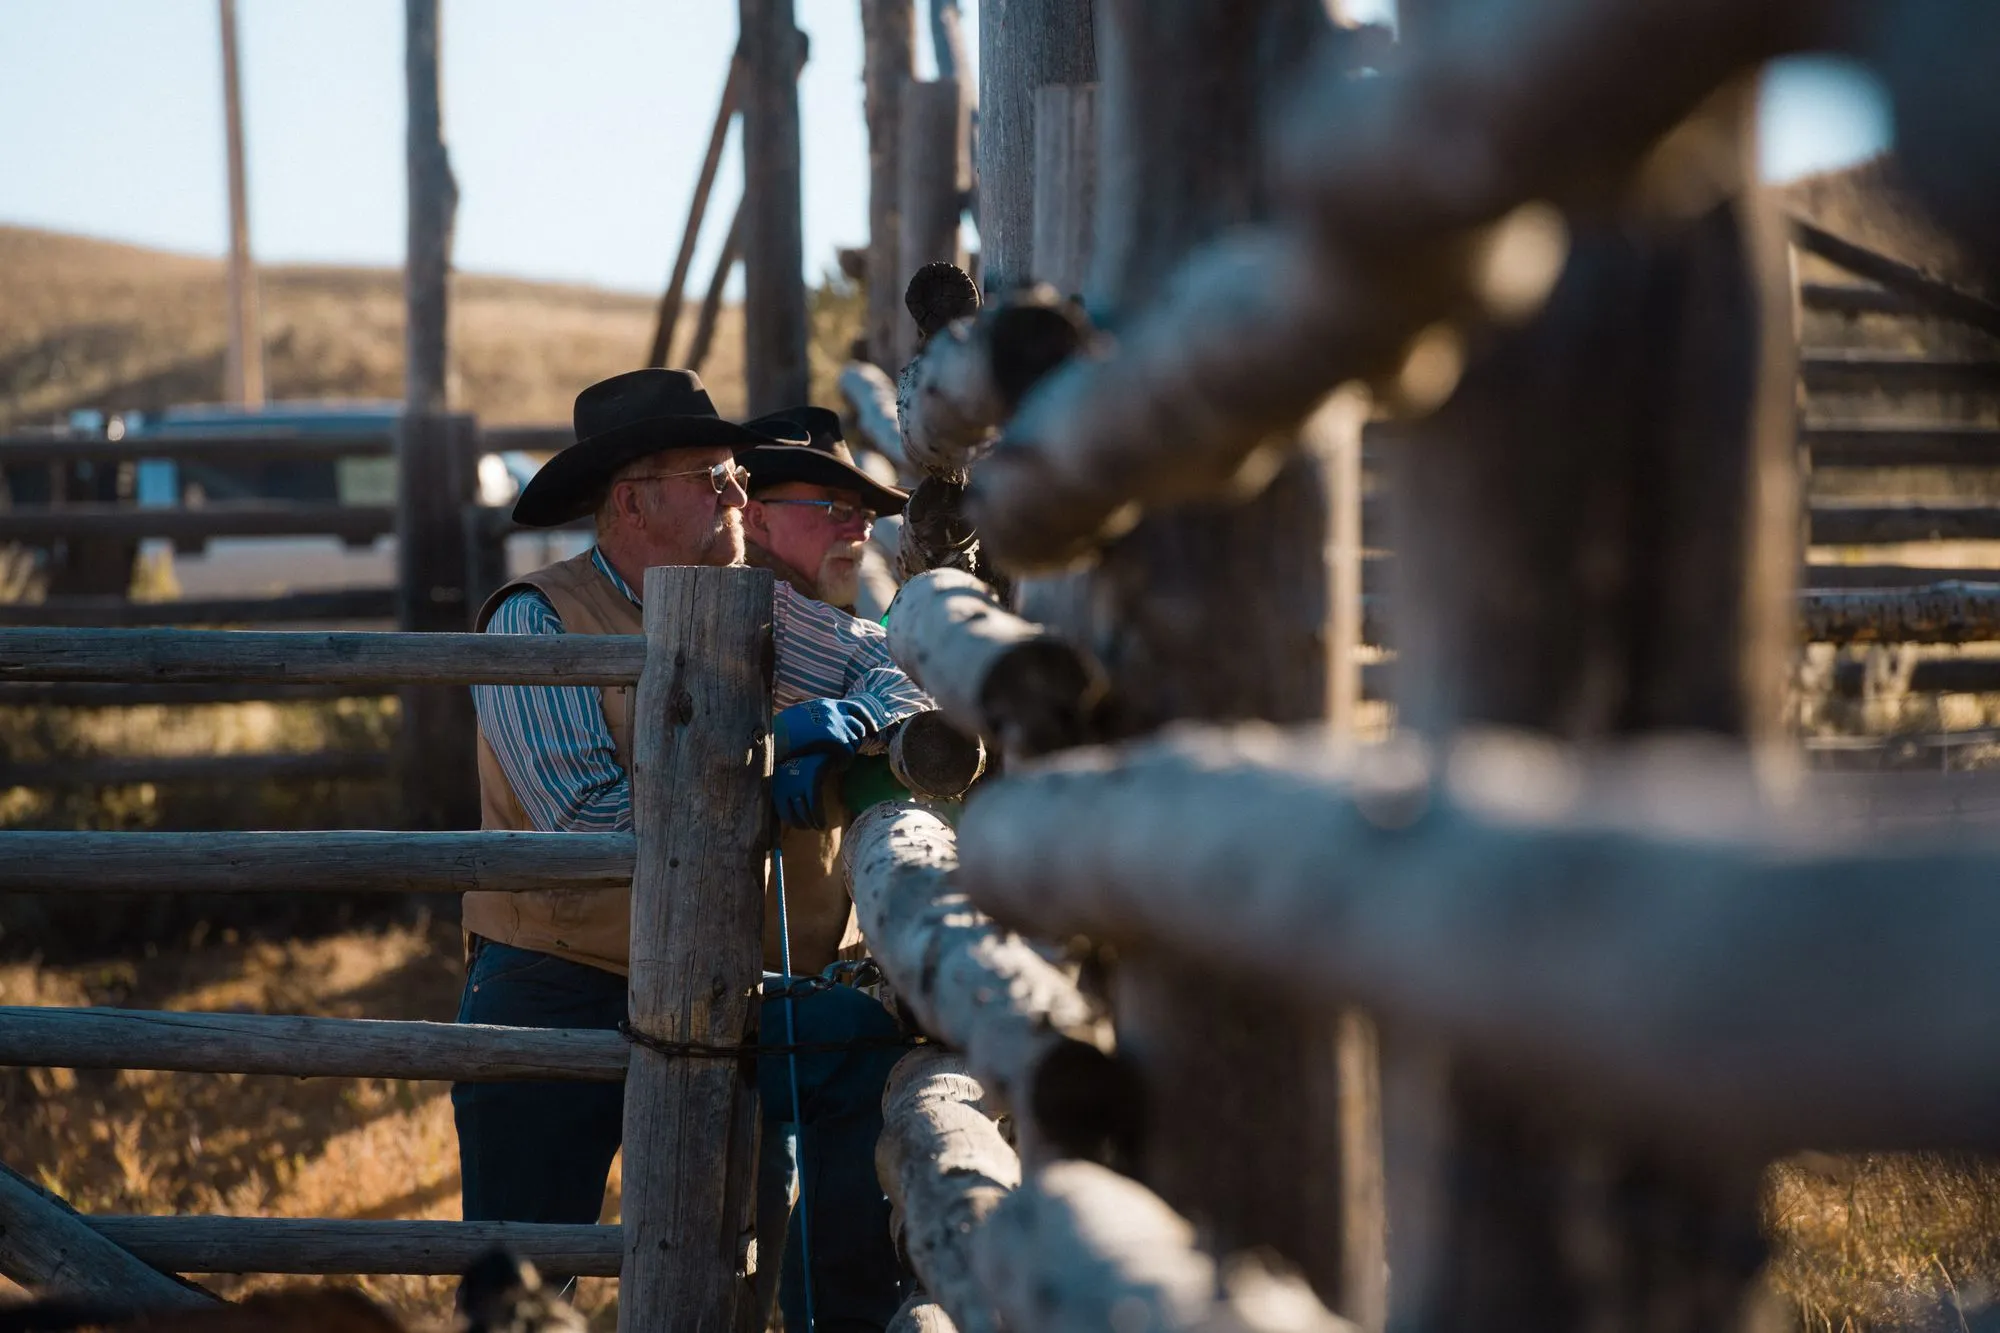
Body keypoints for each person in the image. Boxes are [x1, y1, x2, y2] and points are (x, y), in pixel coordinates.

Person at [453, 369, 928, 1332]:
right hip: (559, 980)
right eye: (715, 477)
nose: (740, 493)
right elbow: (585, 818)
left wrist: (857, 724)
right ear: (635, 500)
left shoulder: (751, 605)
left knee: (853, 1067)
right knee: (524, 1281)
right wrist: (762, 767)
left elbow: (893, 672)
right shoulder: (535, 618)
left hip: (718, 976)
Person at [739, 406, 907, 616]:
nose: (861, 533)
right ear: (758, 519)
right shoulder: (732, 614)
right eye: (838, 509)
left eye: (865, 516)